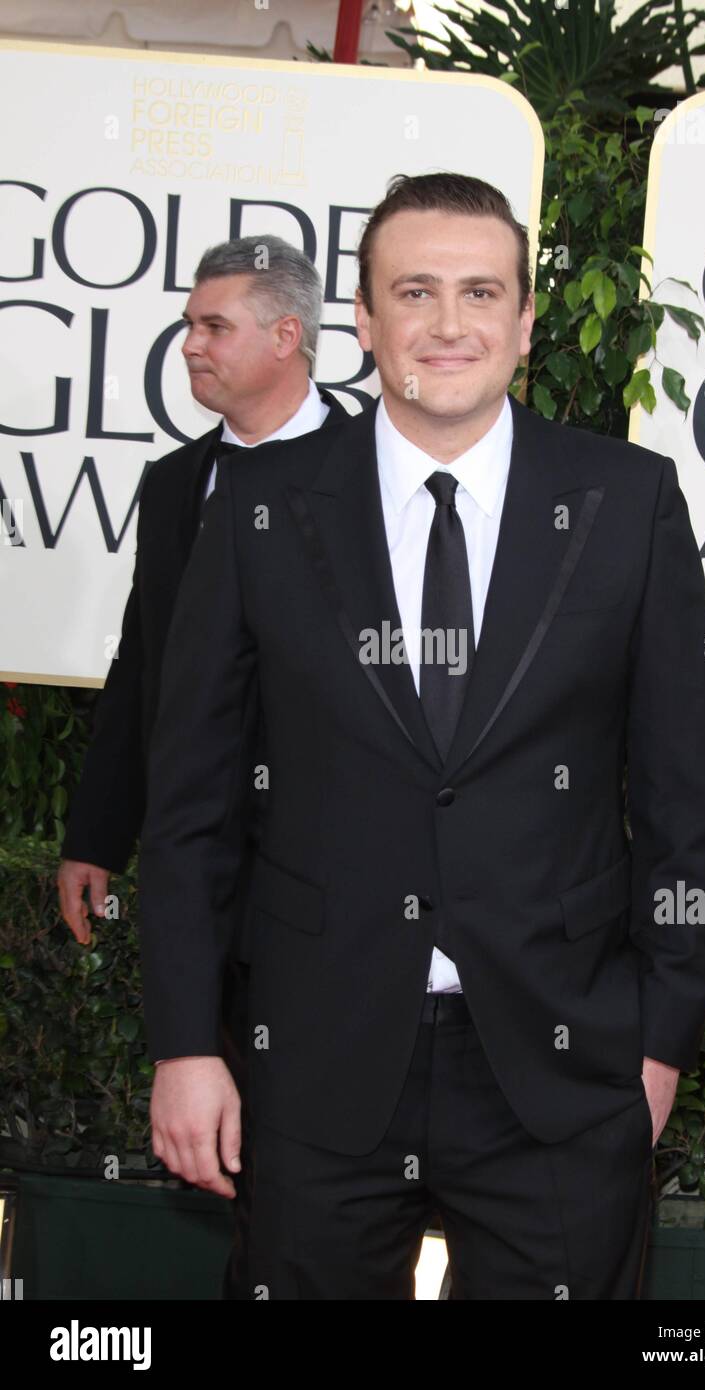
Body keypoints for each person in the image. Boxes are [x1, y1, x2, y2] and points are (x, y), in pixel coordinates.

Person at [137, 173, 705, 1300]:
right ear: (361, 323)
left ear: (523, 320)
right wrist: (184, 1043)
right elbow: (191, 804)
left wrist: (655, 1048)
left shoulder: (625, 500)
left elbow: (683, 801)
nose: (448, 324)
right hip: (312, 1055)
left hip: (559, 1062)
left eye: (480, 292)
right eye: (414, 291)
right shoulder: (259, 506)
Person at [57, 233, 350, 1298]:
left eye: (211, 326)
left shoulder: (380, 471)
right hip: (205, 876)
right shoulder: (177, 484)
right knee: (233, 1128)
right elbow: (146, 665)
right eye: (188, 326)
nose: (189, 346)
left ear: (287, 336)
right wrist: (98, 834)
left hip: (341, 884)